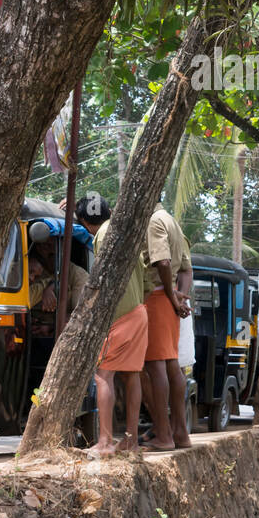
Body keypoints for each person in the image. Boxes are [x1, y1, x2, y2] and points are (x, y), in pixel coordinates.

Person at [74, 195, 148, 456]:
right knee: (131, 375)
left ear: (85, 221)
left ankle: (104, 442)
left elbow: (104, 276)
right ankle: (131, 440)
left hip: (119, 314)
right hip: (139, 310)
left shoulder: (103, 235)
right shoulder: (124, 229)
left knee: (103, 374)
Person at [141, 202, 192, 451]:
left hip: (157, 296)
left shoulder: (154, 221)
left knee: (155, 366)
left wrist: (173, 298)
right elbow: (186, 268)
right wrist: (179, 297)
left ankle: (164, 435)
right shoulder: (172, 221)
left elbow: (162, 262)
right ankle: (180, 432)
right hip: (169, 298)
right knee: (172, 365)